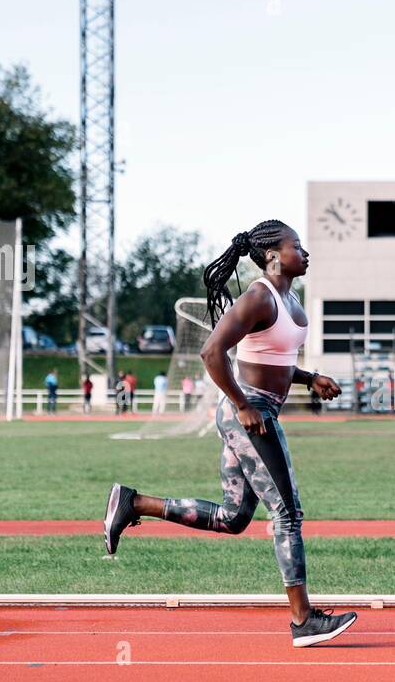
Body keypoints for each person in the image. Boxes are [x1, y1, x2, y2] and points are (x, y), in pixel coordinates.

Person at [103, 220, 356, 647]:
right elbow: (211, 352)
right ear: (273, 255)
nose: (305, 252)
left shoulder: (289, 298)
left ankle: (133, 502)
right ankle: (303, 620)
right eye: (298, 245)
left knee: (234, 517)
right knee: (287, 512)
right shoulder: (259, 295)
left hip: (254, 411)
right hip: (249, 414)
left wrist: (309, 377)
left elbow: (271, 359)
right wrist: (242, 405)